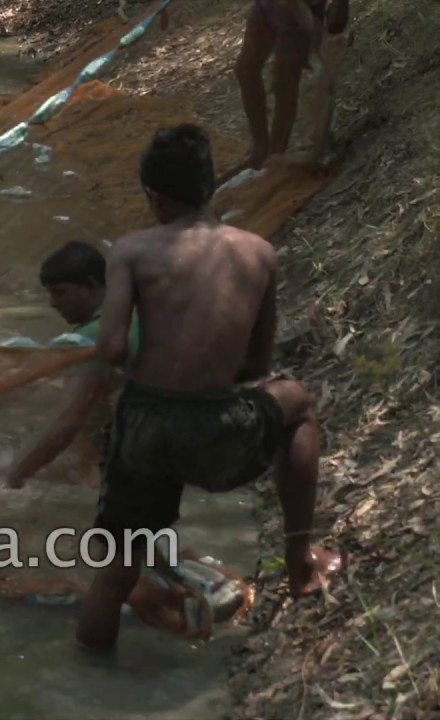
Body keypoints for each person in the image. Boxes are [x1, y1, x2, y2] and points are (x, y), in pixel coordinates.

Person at [76, 124, 343, 654]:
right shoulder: (259, 253)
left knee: (115, 573)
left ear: (154, 195)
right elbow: (256, 364)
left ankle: (89, 676)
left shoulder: (131, 251)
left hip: (146, 430)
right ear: (212, 187)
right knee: (297, 402)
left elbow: (109, 350)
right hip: (220, 432)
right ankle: (299, 563)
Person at [0, 241, 141, 489]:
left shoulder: (91, 338)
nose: (53, 303)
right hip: (168, 437)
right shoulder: (136, 311)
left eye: (60, 292)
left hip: (124, 459)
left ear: (91, 285)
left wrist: (12, 478)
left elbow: (69, 421)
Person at [220, 0, 351, 184]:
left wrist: (315, 50)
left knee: (283, 77)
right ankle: (260, 147)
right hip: (269, 7)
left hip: (300, 15)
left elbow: (331, 26)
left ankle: (276, 151)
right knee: (246, 68)